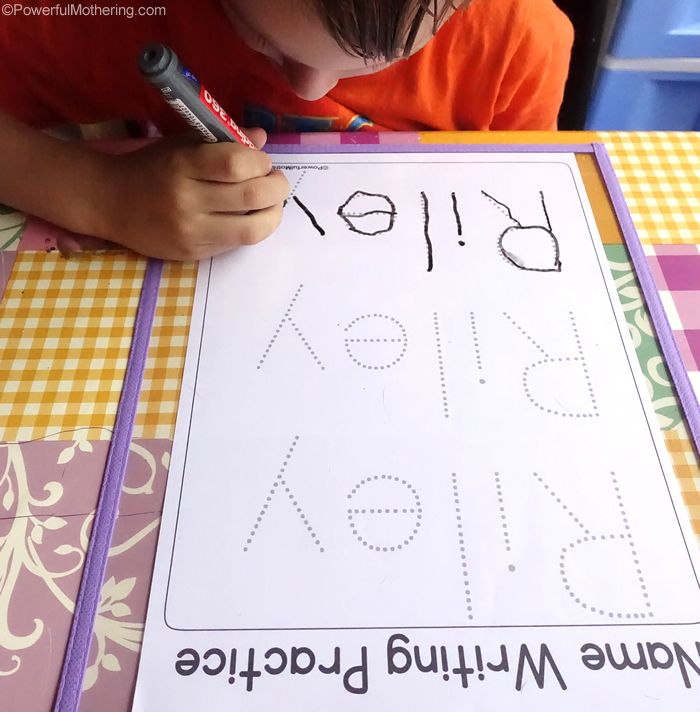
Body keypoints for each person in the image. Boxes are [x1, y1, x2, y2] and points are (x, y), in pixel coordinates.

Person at [0, 0, 573, 260]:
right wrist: (104, 195)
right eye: (261, 36)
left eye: (379, 54)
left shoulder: (519, 44)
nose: (310, 88)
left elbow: (524, 206)